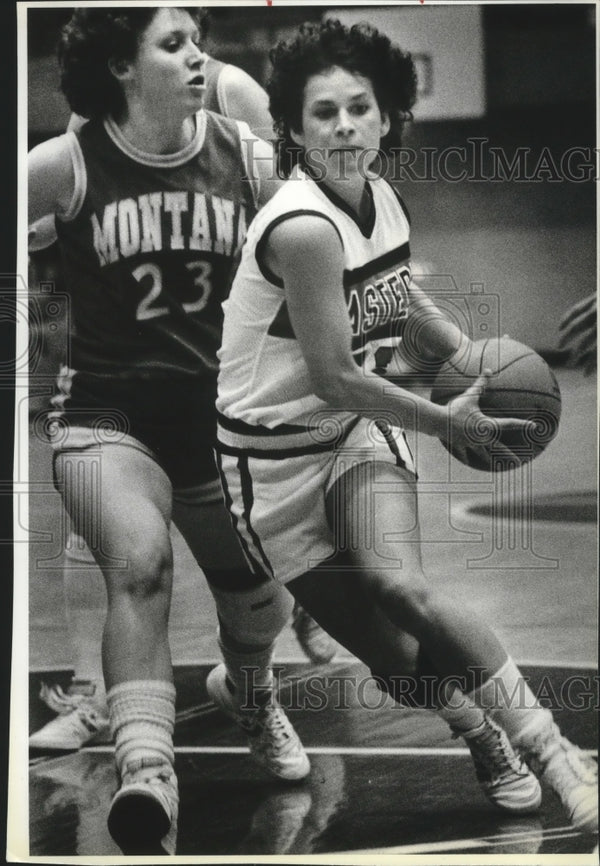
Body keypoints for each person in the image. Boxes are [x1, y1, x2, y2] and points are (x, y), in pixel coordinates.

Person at [214, 18, 598, 834]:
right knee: (396, 663)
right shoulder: (304, 226)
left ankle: (555, 752)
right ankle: (476, 729)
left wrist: (469, 358)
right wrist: (446, 413)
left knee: (402, 586)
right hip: (272, 462)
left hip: (350, 437)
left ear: (388, 116)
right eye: (324, 112)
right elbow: (338, 375)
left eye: (361, 107)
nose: (346, 124)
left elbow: (398, 295)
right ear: (291, 128)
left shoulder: (382, 197)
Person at [28, 7, 313, 855]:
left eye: (199, 40)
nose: (201, 57)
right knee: (140, 562)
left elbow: (335, 245)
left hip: (224, 418)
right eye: (175, 44)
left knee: (255, 601)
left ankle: (254, 693)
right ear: (122, 66)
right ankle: (148, 772)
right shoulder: (60, 165)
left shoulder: (249, 155)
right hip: (105, 416)